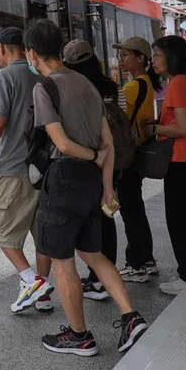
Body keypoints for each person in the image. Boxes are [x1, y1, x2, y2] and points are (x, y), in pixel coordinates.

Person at [25, 19, 148, 357]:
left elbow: (62, 144)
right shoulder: (87, 84)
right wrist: (107, 188)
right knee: (93, 254)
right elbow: (108, 142)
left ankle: (79, 336)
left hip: (65, 179)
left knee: (63, 261)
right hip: (93, 183)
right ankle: (131, 318)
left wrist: (90, 155)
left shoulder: (45, 87)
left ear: (32, 53)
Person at [0, 27, 54, 313]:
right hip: (45, 168)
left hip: (15, 166)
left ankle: (30, 279)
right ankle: (41, 292)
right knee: (40, 233)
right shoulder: (42, 73)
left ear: (2, 48)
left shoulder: (5, 76)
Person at [61, 39, 123, 302]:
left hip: (89, 160)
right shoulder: (112, 87)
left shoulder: (76, 90)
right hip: (114, 159)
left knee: (89, 219)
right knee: (107, 214)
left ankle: (96, 278)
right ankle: (106, 273)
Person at [143, 36, 186, 296]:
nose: (153, 60)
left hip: (179, 160)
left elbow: (182, 127)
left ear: (172, 57)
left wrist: (155, 127)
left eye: (157, 55)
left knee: (179, 220)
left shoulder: (178, 84)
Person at [113, 37, 162, 283]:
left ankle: (137, 264)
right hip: (139, 152)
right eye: (120, 56)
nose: (120, 60)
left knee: (131, 211)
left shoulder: (132, 87)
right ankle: (146, 260)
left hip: (127, 156)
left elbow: (118, 119)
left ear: (141, 58)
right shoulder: (146, 84)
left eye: (125, 55)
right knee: (135, 209)